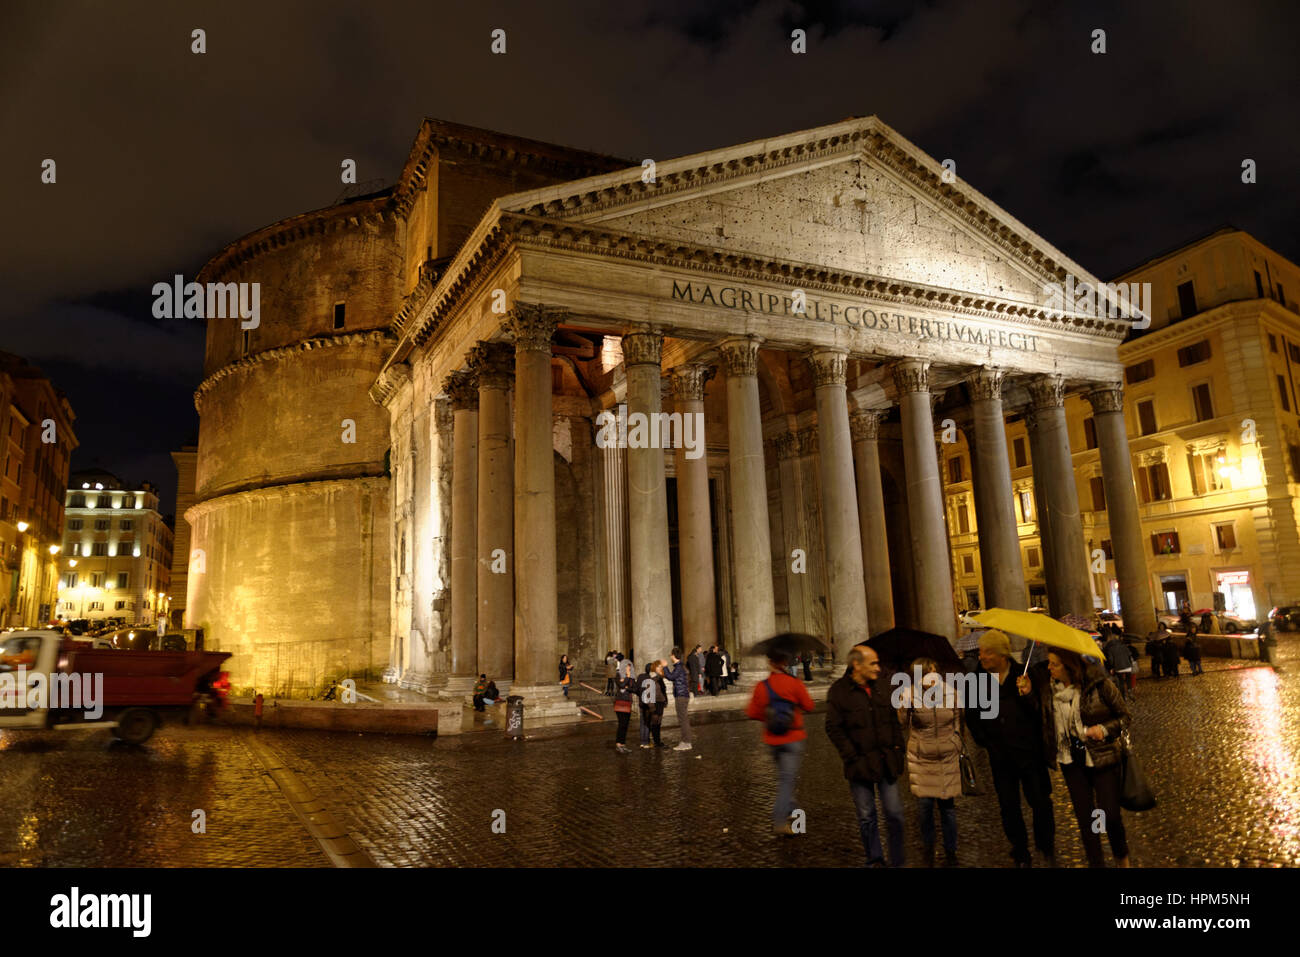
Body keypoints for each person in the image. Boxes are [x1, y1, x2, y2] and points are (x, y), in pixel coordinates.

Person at [1030, 648, 1132, 868]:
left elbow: (1125, 716)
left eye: (1054, 664)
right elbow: (1042, 719)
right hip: (1071, 760)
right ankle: (1097, 863)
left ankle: (1121, 857)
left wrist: (1103, 729)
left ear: (1069, 666)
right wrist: (1028, 692)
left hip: (1101, 757)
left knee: (1108, 814)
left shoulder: (1099, 685)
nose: (1049, 668)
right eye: (1049, 663)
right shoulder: (1049, 690)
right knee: (1087, 819)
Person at [966, 630, 1056, 868]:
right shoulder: (976, 681)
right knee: (1008, 806)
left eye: (987, 652)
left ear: (1002, 654)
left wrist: (1027, 695)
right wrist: (985, 741)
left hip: (1030, 754)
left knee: (1040, 802)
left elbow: (1041, 712)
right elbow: (972, 716)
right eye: (981, 652)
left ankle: (1045, 846)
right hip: (1001, 757)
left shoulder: (1024, 675)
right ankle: (1020, 849)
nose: (982, 656)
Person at [826, 645, 906, 865]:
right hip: (859, 764)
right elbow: (833, 727)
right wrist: (851, 755)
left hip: (886, 760)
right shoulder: (839, 691)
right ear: (856, 665)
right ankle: (875, 859)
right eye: (873, 663)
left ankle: (898, 860)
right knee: (866, 816)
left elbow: (892, 721)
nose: (878, 668)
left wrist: (899, 749)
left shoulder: (882, 686)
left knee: (895, 814)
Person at [899, 657, 963, 867]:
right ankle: (928, 845)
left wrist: (955, 742)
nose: (931, 675)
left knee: (948, 807)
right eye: (926, 672)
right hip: (922, 756)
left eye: (933, 670)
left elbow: (957, 719)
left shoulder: (950, 692)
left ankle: (951, 849)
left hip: (946, 755)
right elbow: (902, 723)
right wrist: (902, 705)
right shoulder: (910, 694)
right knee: (924, 806)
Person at [746, 650, 815, 835]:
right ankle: (779, 821)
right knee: (787, 778)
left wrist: (769, 715)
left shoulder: (762, 686)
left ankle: (792, 809)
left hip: (772, 739)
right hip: (793, 737)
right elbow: (809, 706)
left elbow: (752, 712)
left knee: (785, 776)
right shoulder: (794, 683)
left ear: (769, 663)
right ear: (785, 662)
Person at [664, 648, 693, 751]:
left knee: (683, 720)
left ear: (673, 655)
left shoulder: (679, 667)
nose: (670, 657)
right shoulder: (680, 666)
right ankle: (685, 741)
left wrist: (665, 667)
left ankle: (686, 742)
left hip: (681, 696)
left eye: (670, 655)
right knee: (683, 719)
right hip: (682, 695)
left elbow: (671, 677)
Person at [1103, 631, 1135, 699]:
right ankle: (1129, 690)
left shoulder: (1109, 648)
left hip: (1118, 667)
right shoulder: (1123, 645)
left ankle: (1123, 696)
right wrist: (1130, 663)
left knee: (1121, 682)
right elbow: (1129, 654)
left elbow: (1110, 659)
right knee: (1128, 679)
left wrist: (1111, 667)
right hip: (1127, 665)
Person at [613, 667, 635, 753]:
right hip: (620, 703)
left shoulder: (630, 676)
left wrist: (628, 686)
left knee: (625, 725)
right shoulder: (618, 675)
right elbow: (621, 685)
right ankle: (618, 744)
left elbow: (633, 688)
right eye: (628, 667)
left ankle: (623, 744)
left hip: (628, 703)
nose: (629, 669)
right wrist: (627, 678)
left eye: (630, 668)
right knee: (621, 724)